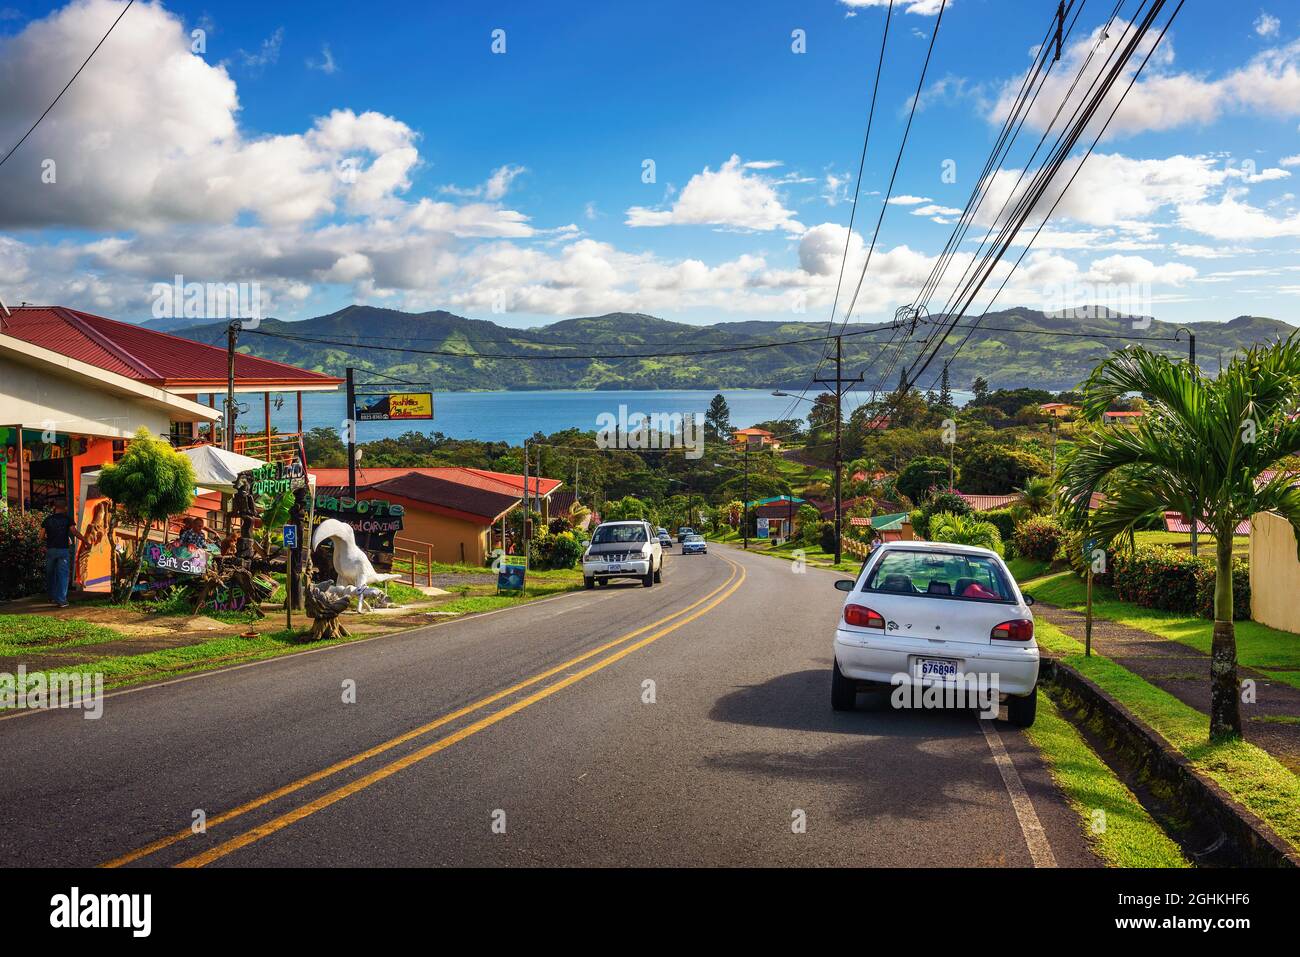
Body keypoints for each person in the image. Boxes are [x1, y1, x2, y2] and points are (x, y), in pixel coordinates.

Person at [43, 500, 87, 608]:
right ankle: (61, 600)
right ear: (65, 508)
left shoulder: (48, 520)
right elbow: (74, 532)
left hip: (51, 550)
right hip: (63, 550)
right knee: (63, 575)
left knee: (50, 573)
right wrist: (85, 540)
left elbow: (41, 535)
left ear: (54, 507)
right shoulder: (67, 519)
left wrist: (48, 540)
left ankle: (51, 596)